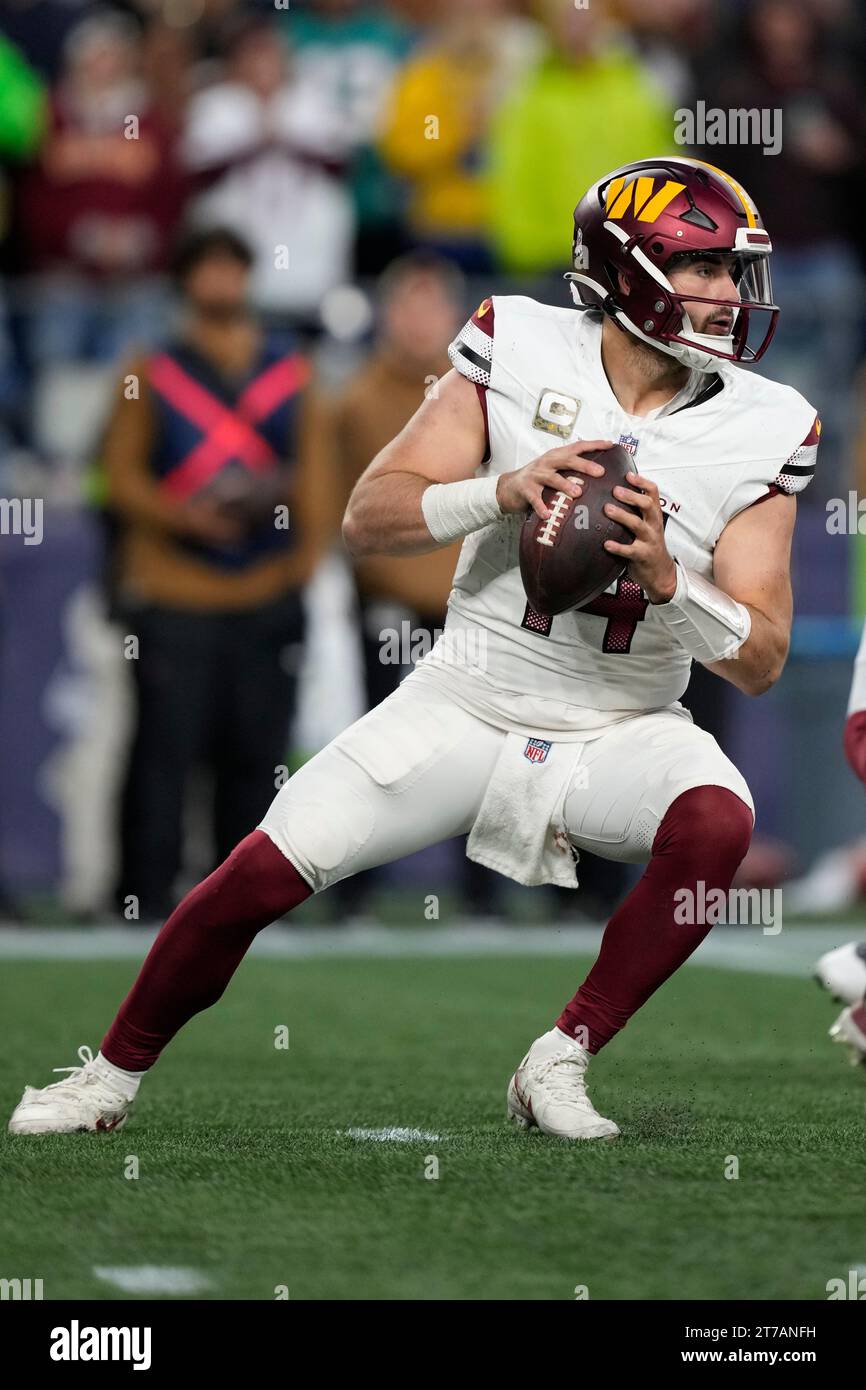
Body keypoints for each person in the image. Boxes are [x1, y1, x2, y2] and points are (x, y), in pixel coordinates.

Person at [9, 157, 819, 1142]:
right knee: (259, 873)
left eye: (732, 273)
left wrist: (665, 579)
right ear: (625, 268)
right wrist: (501, 487)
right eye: (700, 268)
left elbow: (759, 654)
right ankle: (108, 1075)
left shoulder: (764, 420)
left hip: (620, 720)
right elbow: (369, 517)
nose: (725, 296)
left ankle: (559, 1059)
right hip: (466, 699)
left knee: (714, 822)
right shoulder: (514, 340)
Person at [101, 227, 334, 922]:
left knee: (257, 757)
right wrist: (185, 519)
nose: (222, 284)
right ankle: (141, 898)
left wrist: (297, 569)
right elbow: (118, 475)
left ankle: (239, 908)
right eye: (207, 270)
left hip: (266, 592)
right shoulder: (151, 369)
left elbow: (320, 483)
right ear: (186, 282)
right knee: (162, 758)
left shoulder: (292, 372)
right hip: (174, 595)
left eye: (233, 269)